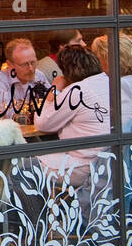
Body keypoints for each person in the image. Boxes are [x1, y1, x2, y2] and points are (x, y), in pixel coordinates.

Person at [34, 46, 113, 185]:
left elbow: (42, 123)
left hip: (86, 167)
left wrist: (55, 89)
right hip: (113, 164)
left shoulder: (77, 90)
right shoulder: (110, 83)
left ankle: (48, 207)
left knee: (21, 168)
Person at [0, 38, 50, 120]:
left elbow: (52, 105)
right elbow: (6, 114)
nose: (31, 68)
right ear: (10, 64)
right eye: (24, 64)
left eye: (33, 62)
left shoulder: (38, 75)